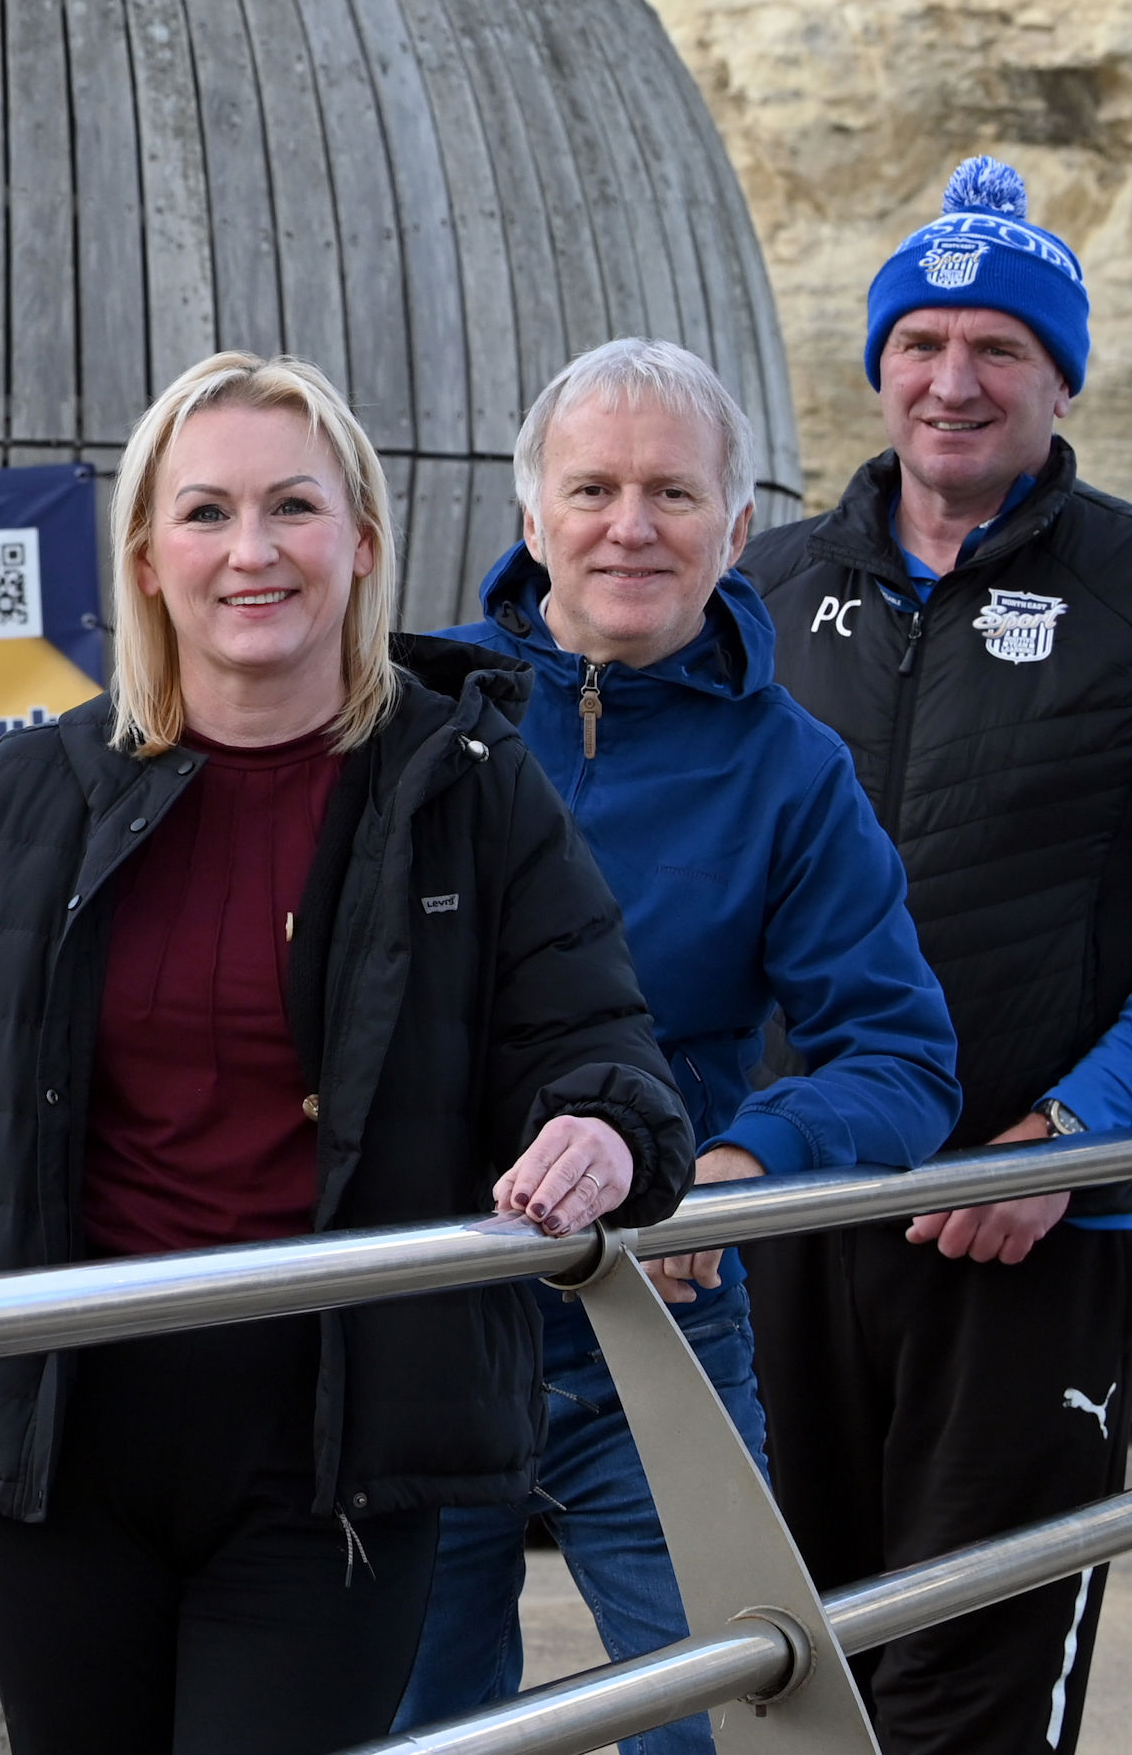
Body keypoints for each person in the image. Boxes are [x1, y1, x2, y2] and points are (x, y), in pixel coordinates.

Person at [0, 352, 695, 1755]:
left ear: (362, 541)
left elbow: (601, 1044)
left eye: (294, 507)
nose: (252, 551)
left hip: (335, 1445)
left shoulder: (468, 788)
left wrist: (600, 1127)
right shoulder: (28, 793)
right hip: (59, 1434)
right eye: (206, 512)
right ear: (145, 554)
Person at [738, 158, 1132, 1755]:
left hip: (1035, 1230)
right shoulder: (768, 593)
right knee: (781, 1671)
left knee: (970, 1691)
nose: (954, 378)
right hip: (791, 1214)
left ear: (1061, 377)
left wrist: (1070, 1135)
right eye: (922, 340)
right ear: (877, 364)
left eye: (1001, 346)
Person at [394, 340, 961, 1755]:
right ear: (530, 518)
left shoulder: (790, 774)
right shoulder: (408, 734)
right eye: (592, 487)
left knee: (730, 1722)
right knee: (415, 1728)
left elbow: (902, 1056)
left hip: (656, 1314)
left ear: (738, 527)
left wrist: (741, 1159)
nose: (630, 526)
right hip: (416, 1313)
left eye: (671, 491)